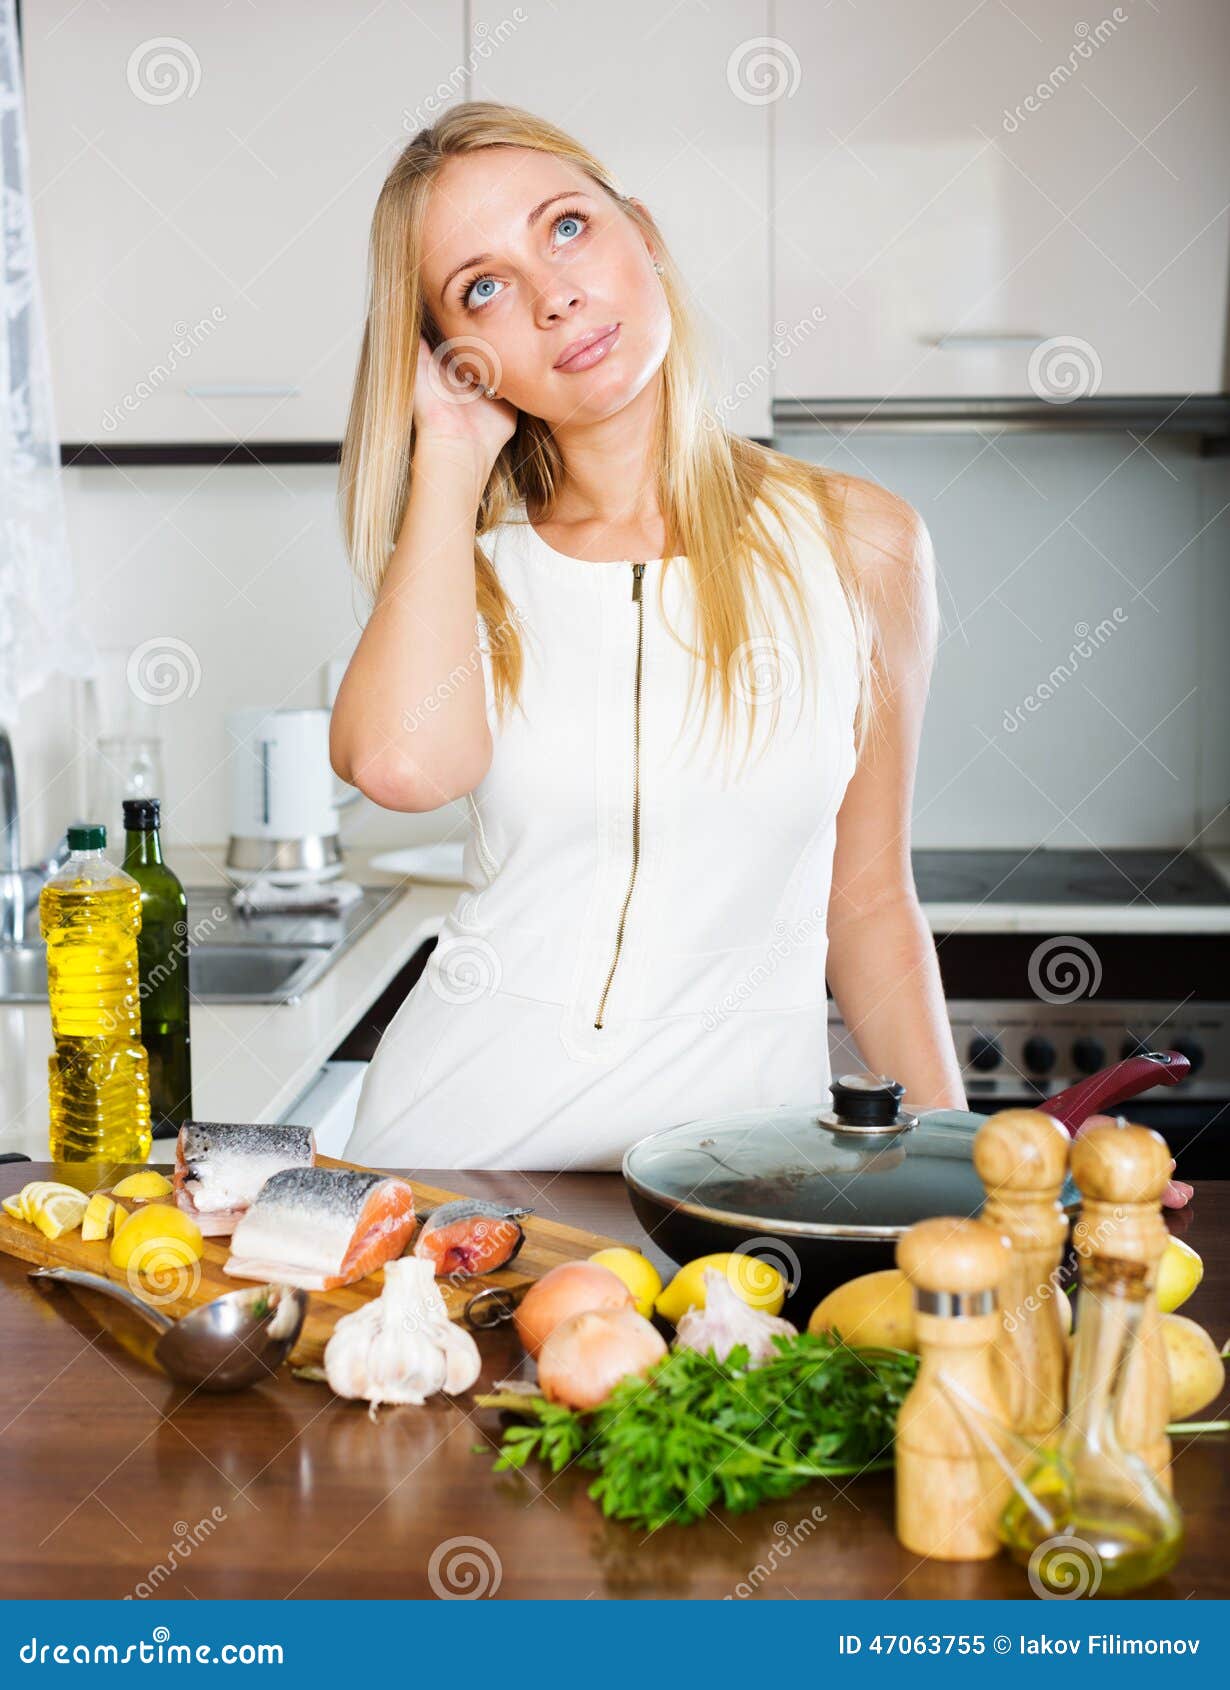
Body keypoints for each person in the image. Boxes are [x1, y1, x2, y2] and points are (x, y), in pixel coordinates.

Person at [330, 100, 970, 1173]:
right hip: (460, 1174)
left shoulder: (863, 544)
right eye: (481, 288)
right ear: (457, 358)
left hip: (742, 1185)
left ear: (646, 235)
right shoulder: (468, 572)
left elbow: (866, 901)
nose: (553, 295)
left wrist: (975, 1174)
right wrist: (447, 455)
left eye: (567, 228)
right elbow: (399, 763)